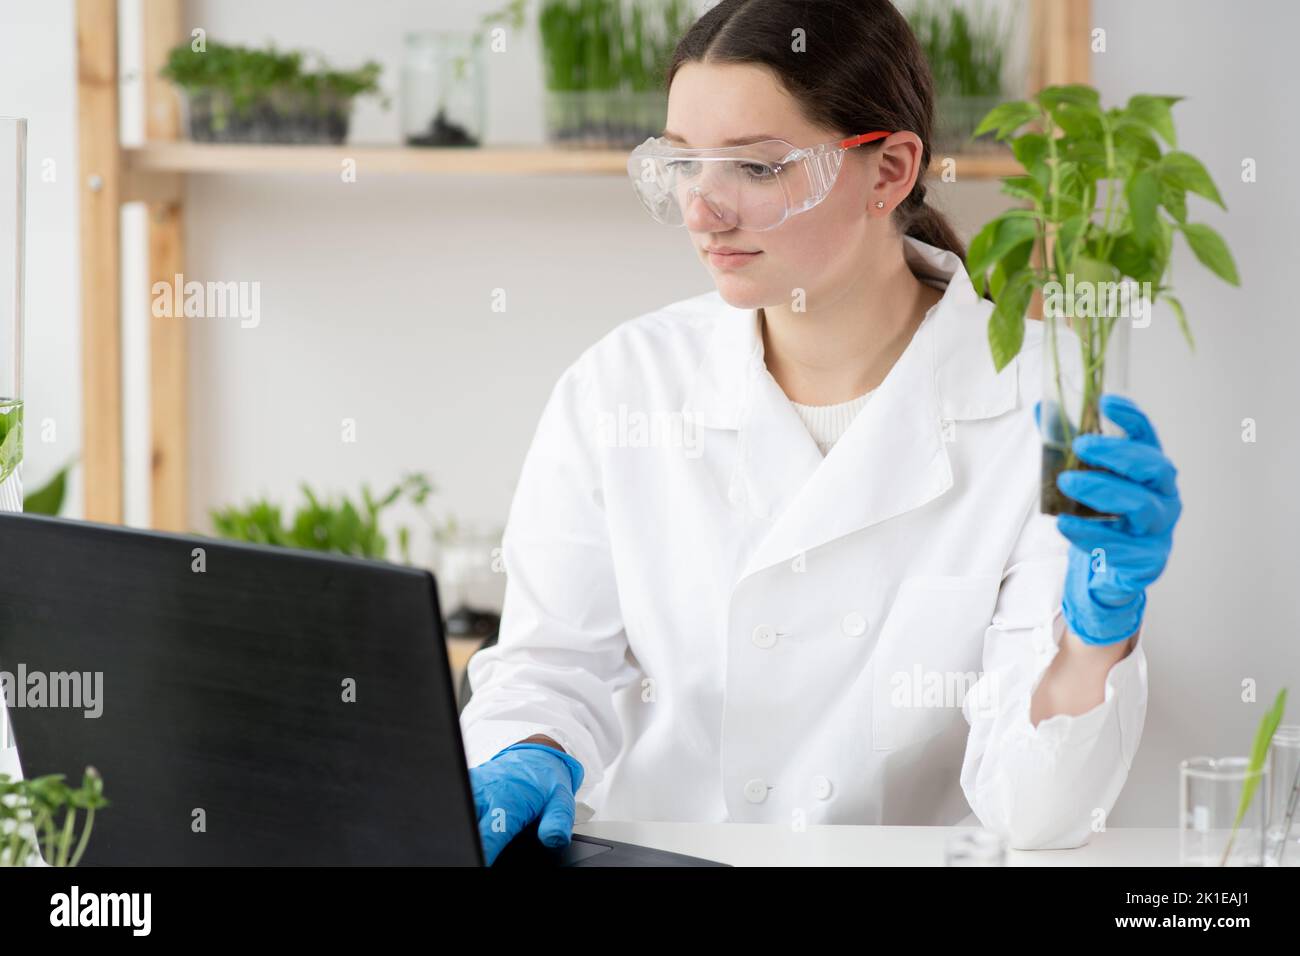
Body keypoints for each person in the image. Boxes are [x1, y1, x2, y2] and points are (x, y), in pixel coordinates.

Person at [461, 0, 1181, 865]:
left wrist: (1094, 642)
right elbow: (550, 666)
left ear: (889, 172)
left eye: (757, 169)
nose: (703, 211)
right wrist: (529, 748)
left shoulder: (1050, 398)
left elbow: (1037, 814)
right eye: (685, 164)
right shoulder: (622, 384)